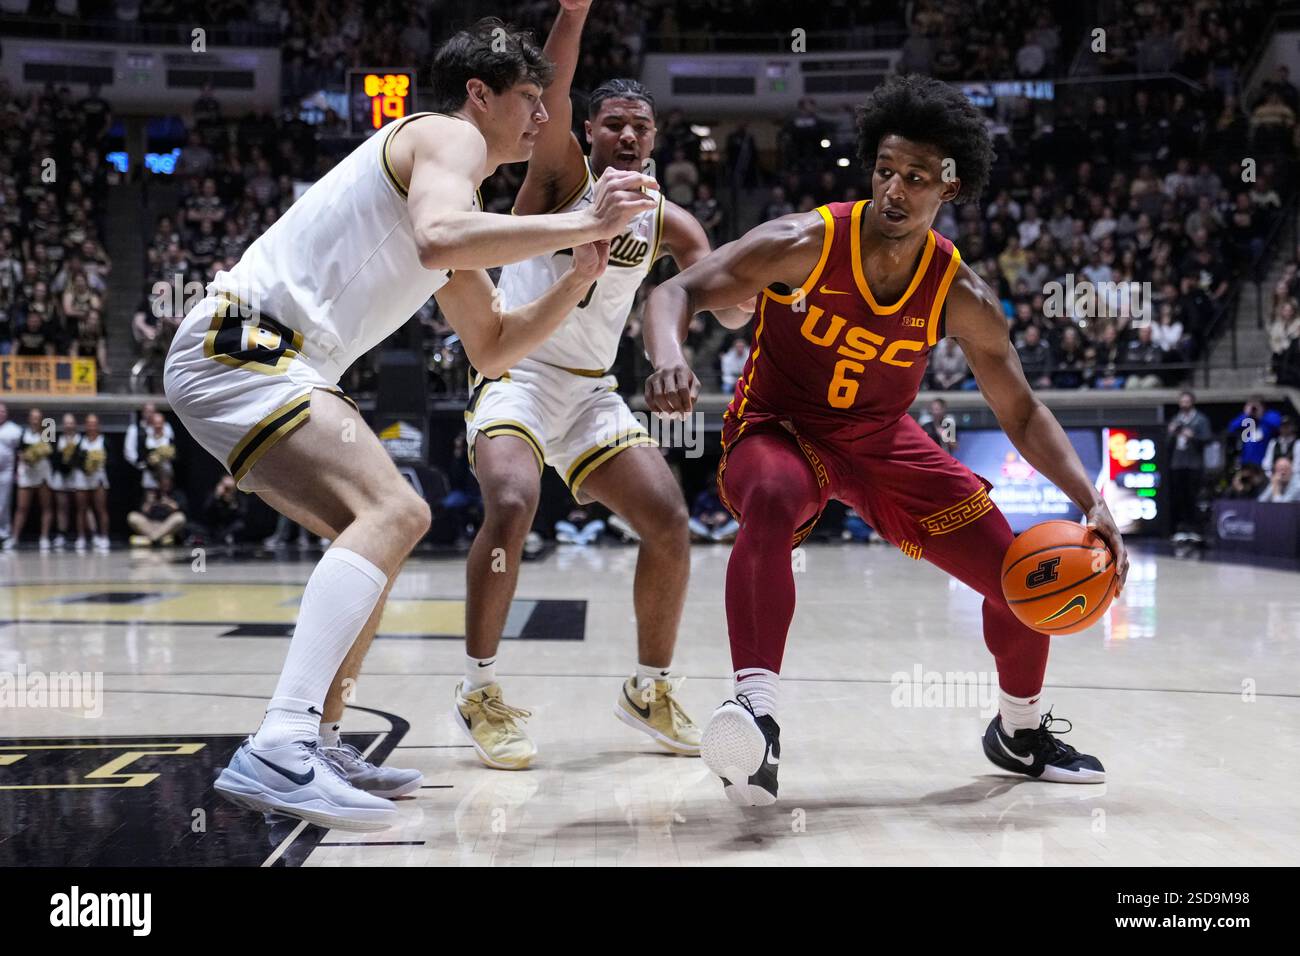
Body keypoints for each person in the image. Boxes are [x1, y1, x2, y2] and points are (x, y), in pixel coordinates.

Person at [163, 18, 656, 830]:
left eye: (544, 98)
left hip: (262, 359)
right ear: (479, 96)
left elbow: (495, 347)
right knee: (398, 511)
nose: (541, 115)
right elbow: (435, 242)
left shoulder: (461, 199)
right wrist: (583, 224)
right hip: (243, 345)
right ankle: (280, 744)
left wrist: (575, 279)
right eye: (529, 97)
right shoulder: (445, 139)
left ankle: (314, 739)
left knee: (377, 532)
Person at [642, 74, 1128, 806]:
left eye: (918, 178)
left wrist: (1090, 499)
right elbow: (673, 293)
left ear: (950, 189)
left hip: (880, 442)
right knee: (772, 493)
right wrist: (671, 358)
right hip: (779, 428)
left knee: (1019, 577)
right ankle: (756, 716)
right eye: (886, 171)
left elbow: (1021, 413)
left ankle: (1018, 731)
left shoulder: (960, 294)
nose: (896, 191)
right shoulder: (804, 241)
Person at [454, 3, 751, 771]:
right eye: (613, 123)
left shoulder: (668, 220)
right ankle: (480, 688)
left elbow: (712, 290)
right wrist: (573, 12)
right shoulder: (560, 175)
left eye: (640, 127)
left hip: (589, 392)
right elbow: (553, 75)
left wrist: (685, 348)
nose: (627, 135)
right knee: (513, 501)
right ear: (585, 129)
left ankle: (649, 689)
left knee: (669, 521)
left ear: (656, 139)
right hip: (515, 373)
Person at [8, 407, 54, 551]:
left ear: (41, 419)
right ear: (29, 419)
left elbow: (50, 451)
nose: (35, 420)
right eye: (33, 417)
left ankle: (44, 538)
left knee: (46, 506)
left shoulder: (47, 431)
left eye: (38, 417)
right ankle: (14, 537)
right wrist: (26, 457)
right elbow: (19, 452)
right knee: (22, 508)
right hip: (27, 473)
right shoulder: (23, 433)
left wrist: (38, 454)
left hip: (42, 473)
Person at [1167, 390, 1211, 537]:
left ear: (1192, 402)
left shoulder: (1200, 420)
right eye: (1182, 401)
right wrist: (1172, 433)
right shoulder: (1176, 419)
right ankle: (1182, 527)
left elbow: (1206, 440)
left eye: (1187, 401)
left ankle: (1195, 528)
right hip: (1178, 463)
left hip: (1193, 464)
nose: (1184, 404)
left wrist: (1192, 436)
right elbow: (1167, 444)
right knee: (1180, 496)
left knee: (1193, 496)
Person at [49, 413, 86, 550]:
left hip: (77, 476)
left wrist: (73, 462)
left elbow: (83, 458)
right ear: (62, 425)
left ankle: (82, 536)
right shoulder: (57, 438)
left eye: (71, 423)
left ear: (75, 424)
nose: (68, 425)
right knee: (61, 507)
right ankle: (61, 535)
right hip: (61, 476)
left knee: (81, 507)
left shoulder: (81, 439)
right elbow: (52, 457)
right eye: (66, 423)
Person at [77, 413, 111, 552]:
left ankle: (104, 537)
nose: (91, 426)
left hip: (99, 478)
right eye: (89, 423)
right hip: (83, 478)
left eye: (94, 423)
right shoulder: (80, 441)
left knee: (101, 509)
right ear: (86, 426)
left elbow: (111, 460)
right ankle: (82, 538)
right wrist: (85, 465)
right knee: (81, 509)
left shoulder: (104, 441)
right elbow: (75, 460)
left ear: (98, 425)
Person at [128, 474, 188, 545]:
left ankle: (151, 539)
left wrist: (168, 503)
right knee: (132, 516)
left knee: (179, 517)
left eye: (167, 480)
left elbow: (182, 511)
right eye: (162, 481)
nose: (165, 483)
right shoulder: (152, 494)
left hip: (166, 526)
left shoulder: (176, 493)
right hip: (150, 525)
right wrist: (149, 503)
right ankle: (159, 539)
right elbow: (143, 512)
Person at [0, 403, 21, 545]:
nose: (0, 413)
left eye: (2, 411)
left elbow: (20, 453)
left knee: (4, 503)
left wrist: (18, 471)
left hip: (6, 471)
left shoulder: (15, 430)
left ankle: (4, 533)